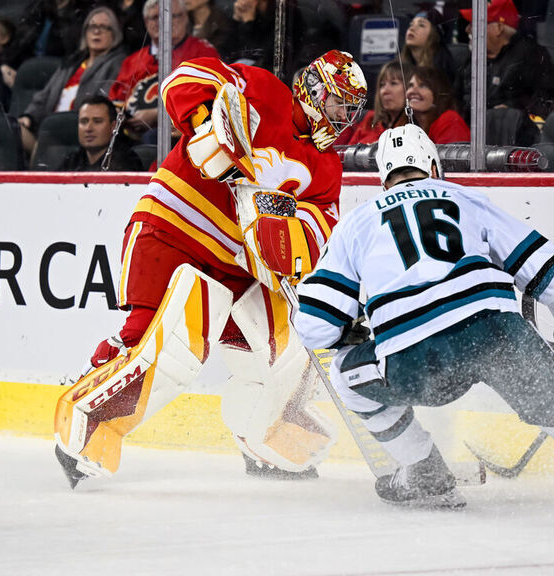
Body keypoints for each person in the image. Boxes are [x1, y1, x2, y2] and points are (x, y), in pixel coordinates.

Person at [292, 124, 554, 509]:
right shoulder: (465, 197)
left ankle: (423, 470)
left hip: (415, 358)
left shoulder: (356, 223)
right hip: (495, 333)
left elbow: (315, 327)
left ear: (383, 178)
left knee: (348, 377)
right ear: (435, 166)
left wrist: (354, 334)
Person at [54, 50, 368, 487]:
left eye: (349, 111)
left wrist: (282, 239)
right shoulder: (261, 90)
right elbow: (186, 78)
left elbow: (319, 232)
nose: (342, 118)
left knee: (288, 351)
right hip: (174, 233)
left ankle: (268, 436)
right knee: (166, 347)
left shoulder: (327, 167)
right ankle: (89, 419)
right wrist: (206, 128)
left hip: (241, 270)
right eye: (337, 103)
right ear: (313, 89)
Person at [18, 6, 127, 154]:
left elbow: (103, 103)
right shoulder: (72, 62)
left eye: (104, 27)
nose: (96, 31)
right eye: (92, 26)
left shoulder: (117, 63)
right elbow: (43, 96)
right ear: (85, 32)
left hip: (79, 129)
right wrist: (29, 116)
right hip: (49, 128)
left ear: (114, 34)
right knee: (11, 129)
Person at [109, 0, 218, 142]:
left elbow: (208, 101)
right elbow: (116, 101)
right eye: (155, 17)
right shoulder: (132, 61)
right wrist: (122, 116)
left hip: (180, 136)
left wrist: (157, 114)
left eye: (172, 16)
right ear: (146, 22)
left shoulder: (202, 52)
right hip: (129, 137)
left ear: (185, 18)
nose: (163, 22)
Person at [457, 0, 554, 124]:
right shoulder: (472, 57)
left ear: (499, 28)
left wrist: (512, 109)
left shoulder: (530, 55)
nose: (468, 29)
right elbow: (455, 97)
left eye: (475, 24)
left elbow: (547, 97)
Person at [57, 94, 144, 171]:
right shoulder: (72, 161)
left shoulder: (127, 163)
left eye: (97, 121)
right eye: (84, 121)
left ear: (113, 126)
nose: (88, 128)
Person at [337, 60, 413, 146]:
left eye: (393, 83)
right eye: (382, 85)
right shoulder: (366, 120)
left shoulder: (416, 129)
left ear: (411, 89)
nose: (385, 91)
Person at [405, 66, 470, 144]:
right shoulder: (409, 124)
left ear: (438, 94)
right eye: (410, 85)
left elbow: (451, 155)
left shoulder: (449, 121)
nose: (413, 90)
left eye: (423, 86)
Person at [400, 9, 456, 88]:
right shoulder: (401, 67)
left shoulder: (441, 69)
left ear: (434, 36)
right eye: (411, 24)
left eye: (421, 25)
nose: (411, 28)